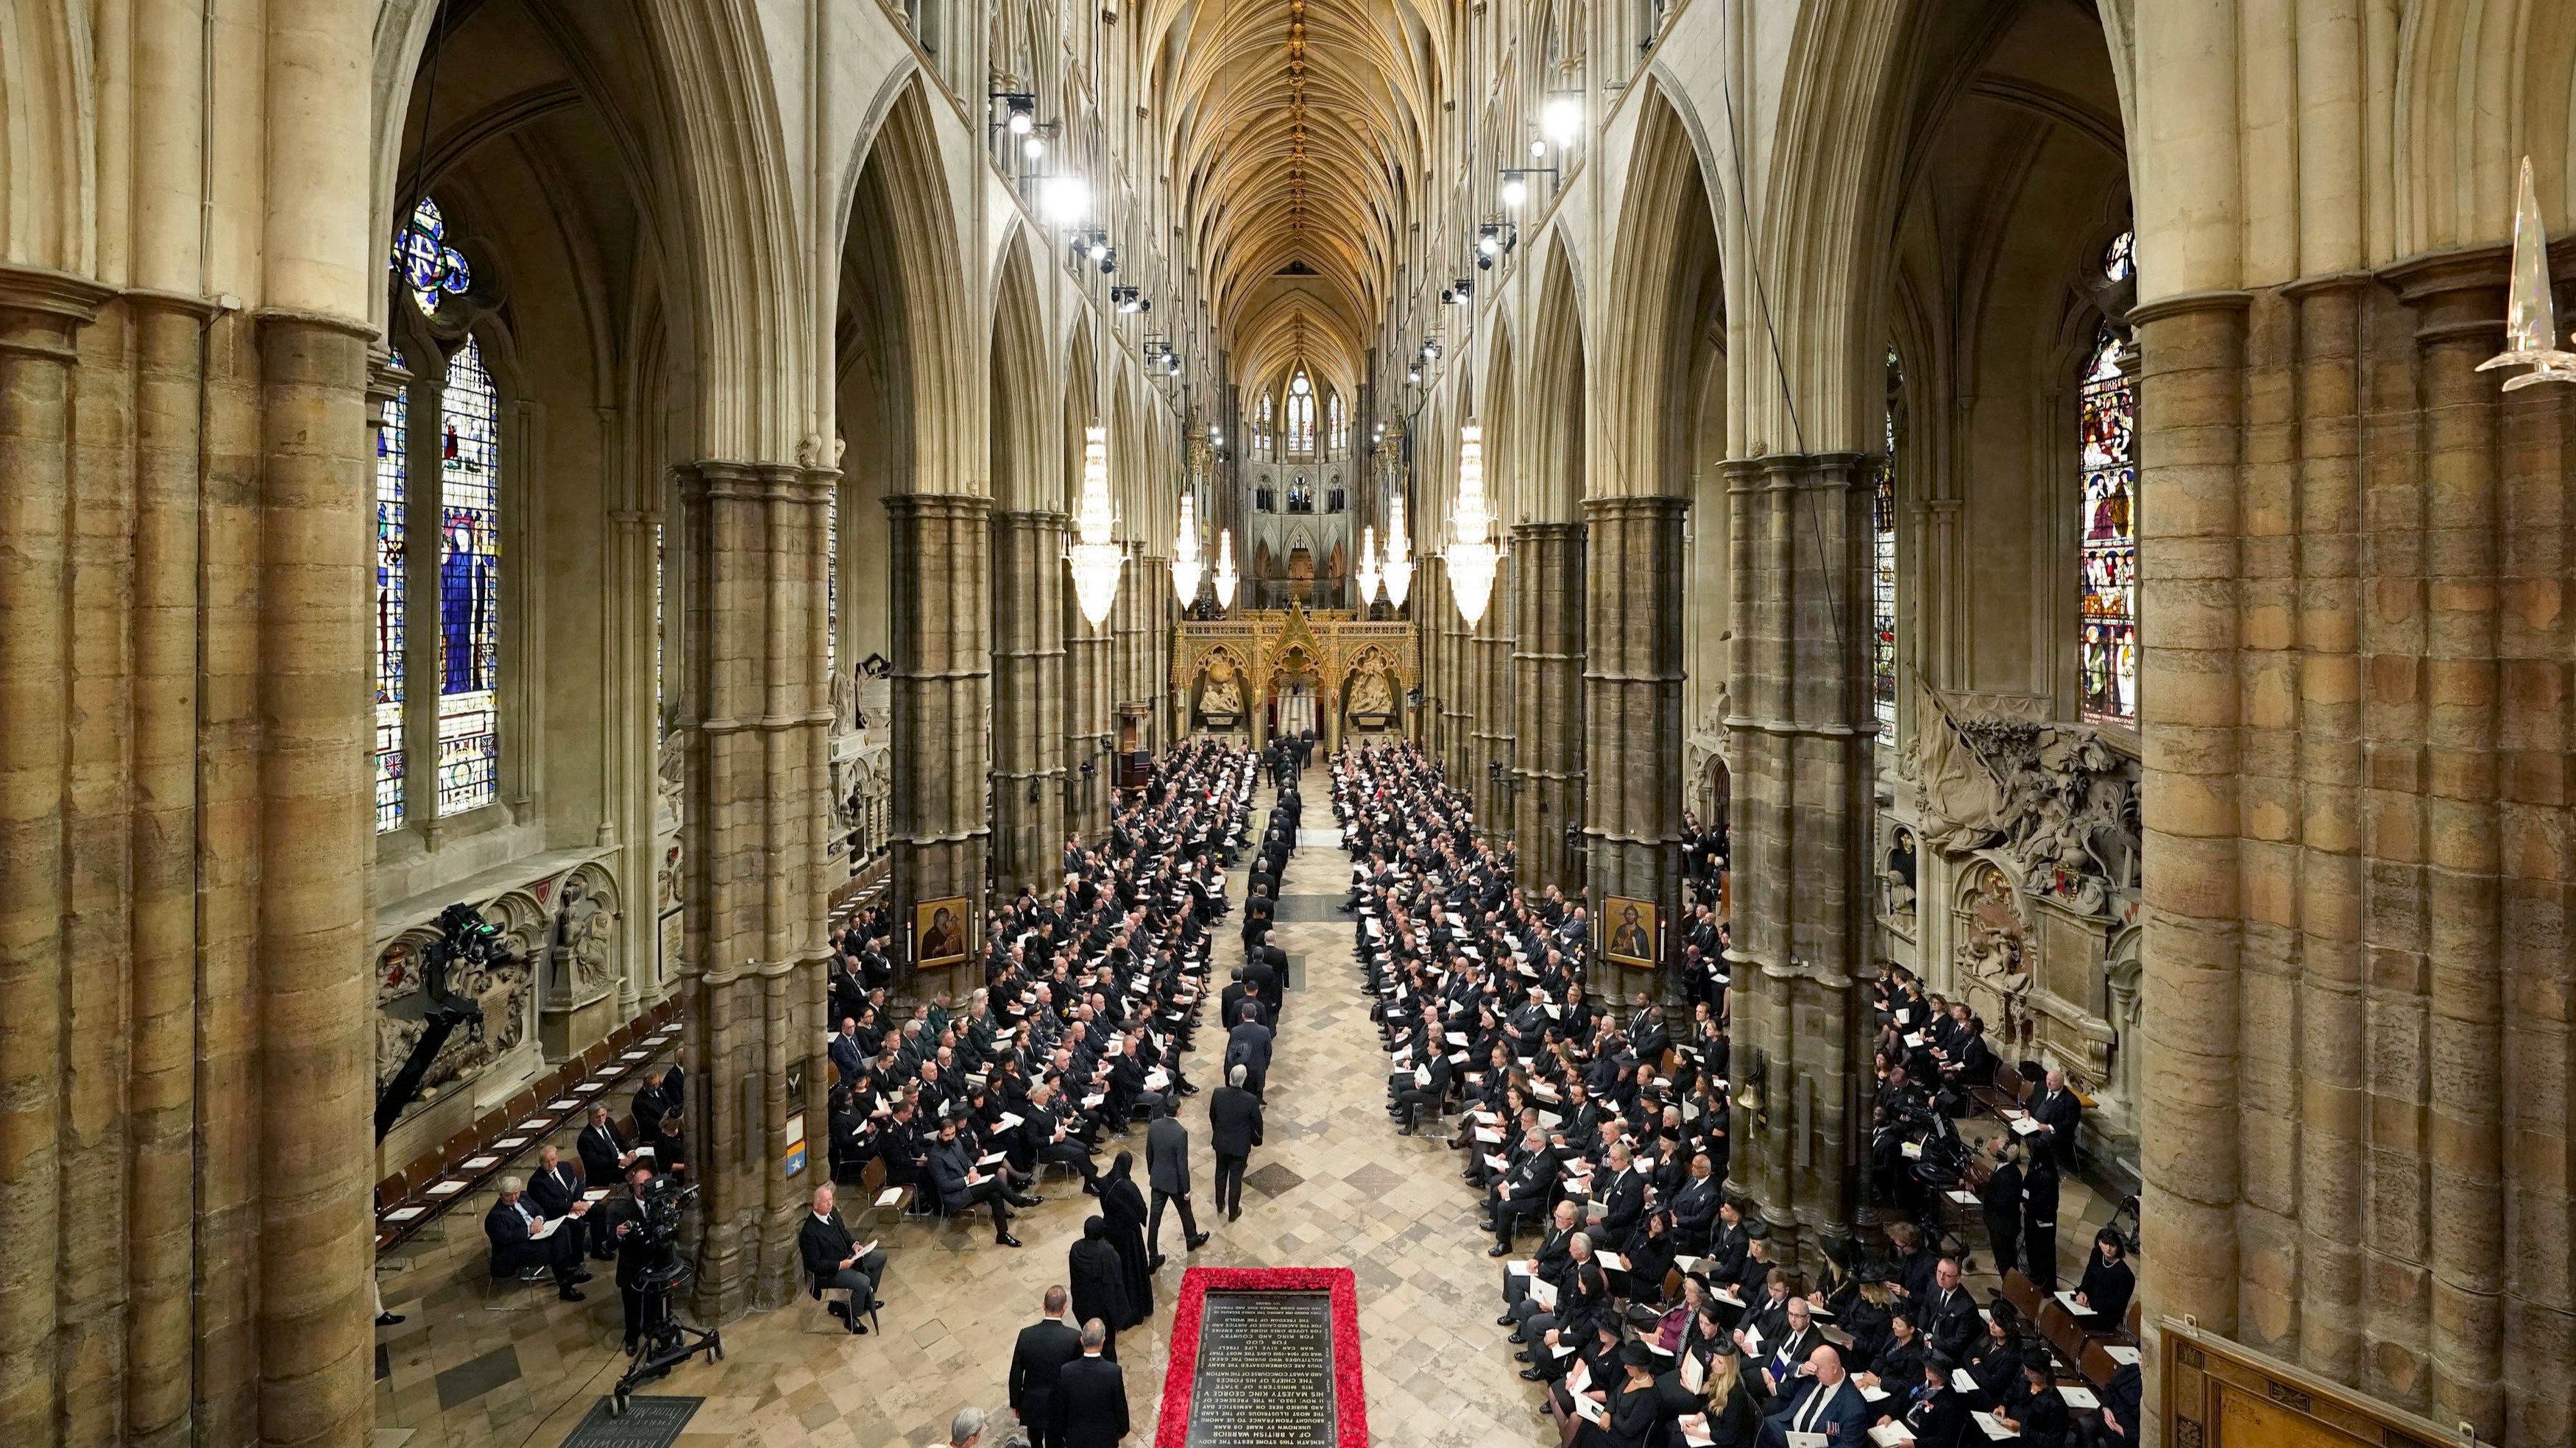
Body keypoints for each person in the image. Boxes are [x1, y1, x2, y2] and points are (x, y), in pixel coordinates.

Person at [482, 1174, 589, 1301]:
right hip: (517, 1248)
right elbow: (506, 1238)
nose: (513, 1198)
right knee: (554, 1249)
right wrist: (529, 1230)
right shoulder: (495, 1217)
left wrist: (538, 1220)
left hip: (538, 1233)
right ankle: (567, 1283)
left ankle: (570, 1273)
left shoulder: (524, 1197)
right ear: (501, 1195)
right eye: (508, 1195)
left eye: (516, 1193)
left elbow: (539, 1210)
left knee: (564, 1230)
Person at [797, 1183, 884, 1335]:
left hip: (847, 1257)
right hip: (829, 1272)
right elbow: (814, 1264)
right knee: (863, 1282)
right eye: (826, 1201)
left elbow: (844, 1232)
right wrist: (840, 1265)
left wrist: (855, 1245)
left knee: (880, 1257)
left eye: (831, 1199)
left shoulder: (833, 1213)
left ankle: (866, 1299)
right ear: (816, 1205)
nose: (830, 1203)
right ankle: (852, 1316)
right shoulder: (809, 1233)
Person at [1008, 1286, 1084, 1448]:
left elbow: (1016, 1372)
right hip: (1059, 1405)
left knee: (1034, 1440)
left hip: (1032, 1403)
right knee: (1055, 1442)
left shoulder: (1026, 1335)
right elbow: (1078, 1374)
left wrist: (1015, 1402)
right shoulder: (1073, 1338)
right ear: (1065, 1307)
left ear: (1043, 1305)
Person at [1758, 1344, 1869, 1448]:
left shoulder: (1854, 1407)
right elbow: (1789, 1367)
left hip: (1816, 1444)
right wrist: (1802, 1368)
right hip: (1791, 1428)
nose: (1814, 1371)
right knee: (1761, 1425)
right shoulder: (1812, 1374)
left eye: (1818, 1367)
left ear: (1834, 1369)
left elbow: (1848, 1446)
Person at [1144, 1096, 1210, 1266]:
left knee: (1155, 1219)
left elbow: (1149, 1153)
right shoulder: (1180, 1133)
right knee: (1185, 1211)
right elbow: (1182, 1164)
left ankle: (1152, 1254)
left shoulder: (1154, 1126)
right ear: (1178, 1111)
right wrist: (1186, 1189)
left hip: (1158, 1179)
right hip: (1174, 1182)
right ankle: (1191, 1239)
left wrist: (1153, 1171)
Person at [1052, 1320, 1130, 1448]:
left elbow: (1060, 1410)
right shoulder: (1113, 1372)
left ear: (1082, 1340)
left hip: (1076, 1440)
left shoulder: (1067, 1371)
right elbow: (1120, 1408)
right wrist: (1122, 1431)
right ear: (1103, 1342)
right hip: (1105, 1441)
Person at [1097, 1153, 1155, 1323]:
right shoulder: (1128, 1187)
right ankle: (1138, 1307)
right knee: (1133, 1271)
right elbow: (1142, 1211)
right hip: (1129, 1237)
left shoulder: (1104, 1182)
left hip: (1111, 1232)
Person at [1066, 1219, 1130, 1362]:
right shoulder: (1107, 1253)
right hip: (1103, 1310)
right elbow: (1116, 1283)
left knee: (1089, 1337)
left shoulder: (1076, 1248)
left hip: (1082, 1307)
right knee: (1107, 1345)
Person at [1207, 1062, 1263, 1221]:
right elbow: (1257, 1122)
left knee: (1220, 1173)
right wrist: (1256, 1139)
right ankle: (1233, 1212)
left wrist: (1217, 1131)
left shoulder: (1218, 1094)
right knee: (1235, 1179)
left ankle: (1219, 1204)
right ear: (1244, 1079)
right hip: (1240, 1146)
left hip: (1221, 1142)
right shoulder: (1250, 1100)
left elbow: (1213, 1115)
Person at [2073, 1228, 2134, 1327]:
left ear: (2118, 1247)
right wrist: (2082, 1292)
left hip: (2106, 1313)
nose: (2108, 1249)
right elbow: (2089, 1275)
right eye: (2105, 1243)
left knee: (2076, 1323)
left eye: (2112, 1245)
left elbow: (2118, 1303)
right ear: (2099, 1242)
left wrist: (2092, 1304)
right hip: (2088, 1300)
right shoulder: (2097, 1254)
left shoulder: (2125, 1274)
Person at [1226, 1000, 1273, 1097]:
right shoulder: (1265, 1031)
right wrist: (1265, 1065)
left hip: (1242, 1070)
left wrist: (1227, 1070)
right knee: (1257, 1096)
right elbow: (1268, 1051)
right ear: (1255, 1014)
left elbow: (1231, 1053)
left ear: (1243, 1015)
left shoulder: (1236, 1031)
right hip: (1258, 1070)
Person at [525, 1145, 584, 1219]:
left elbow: (578, 1185)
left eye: (553, 1159)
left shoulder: (566, 1166)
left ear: (557, 1156)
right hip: (558, 1215)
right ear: (540, 1162)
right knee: (579, 1224)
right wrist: (572, 1206)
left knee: (598, 1209)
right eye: (547, 1162)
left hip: (576, 1205)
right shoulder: (536, 1183)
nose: (551, 1164)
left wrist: (578, 1203)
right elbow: (550, 1205)